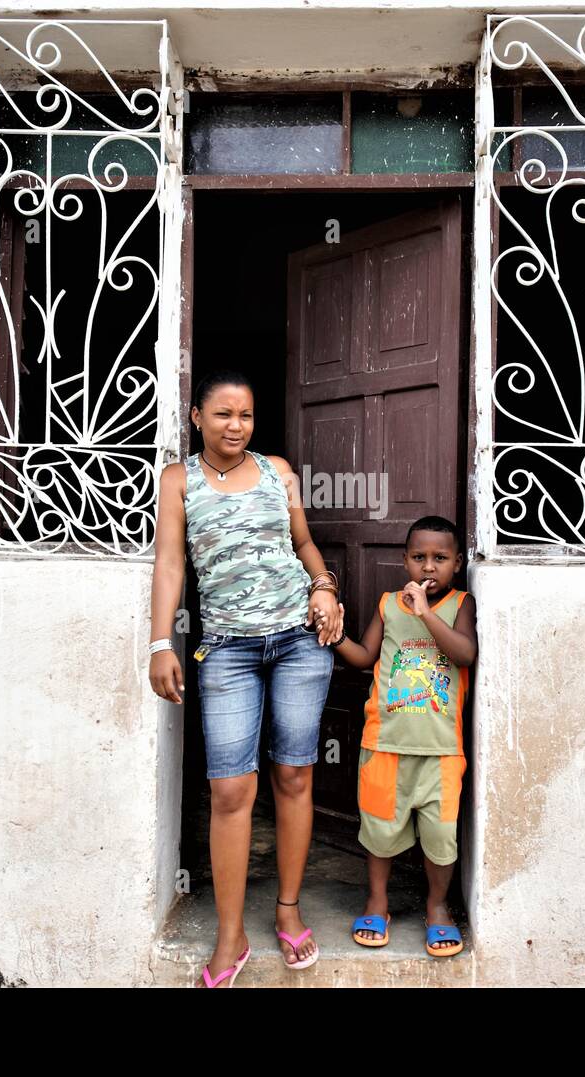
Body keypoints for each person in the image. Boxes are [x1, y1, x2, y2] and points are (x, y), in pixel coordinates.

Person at [147, 369, 345, 988]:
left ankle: (287, 909)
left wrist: (325, 588)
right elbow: (171, 564)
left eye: (247, 415)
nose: (237, 426)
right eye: (225, 415)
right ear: (198, 418)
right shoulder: (177, 481)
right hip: (227, 650)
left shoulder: (279, 472)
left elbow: (305, 544)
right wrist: (161, 642)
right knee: (231, 791)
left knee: (294, 773)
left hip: (299, 642)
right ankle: (229, 934)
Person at [330, 515, 477, 957]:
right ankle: (377, 901)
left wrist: (426, 614)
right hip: (385, 744)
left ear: (457, 563)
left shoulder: (460, 604)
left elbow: (465, 654)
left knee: (440, 837)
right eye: (419, 558)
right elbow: (363, 657)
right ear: (404, 561)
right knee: (380, 831)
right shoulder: (388, 604)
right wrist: (334, 635)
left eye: (440, 559)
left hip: (440, 751)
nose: (428, 568)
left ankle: (437, 907)